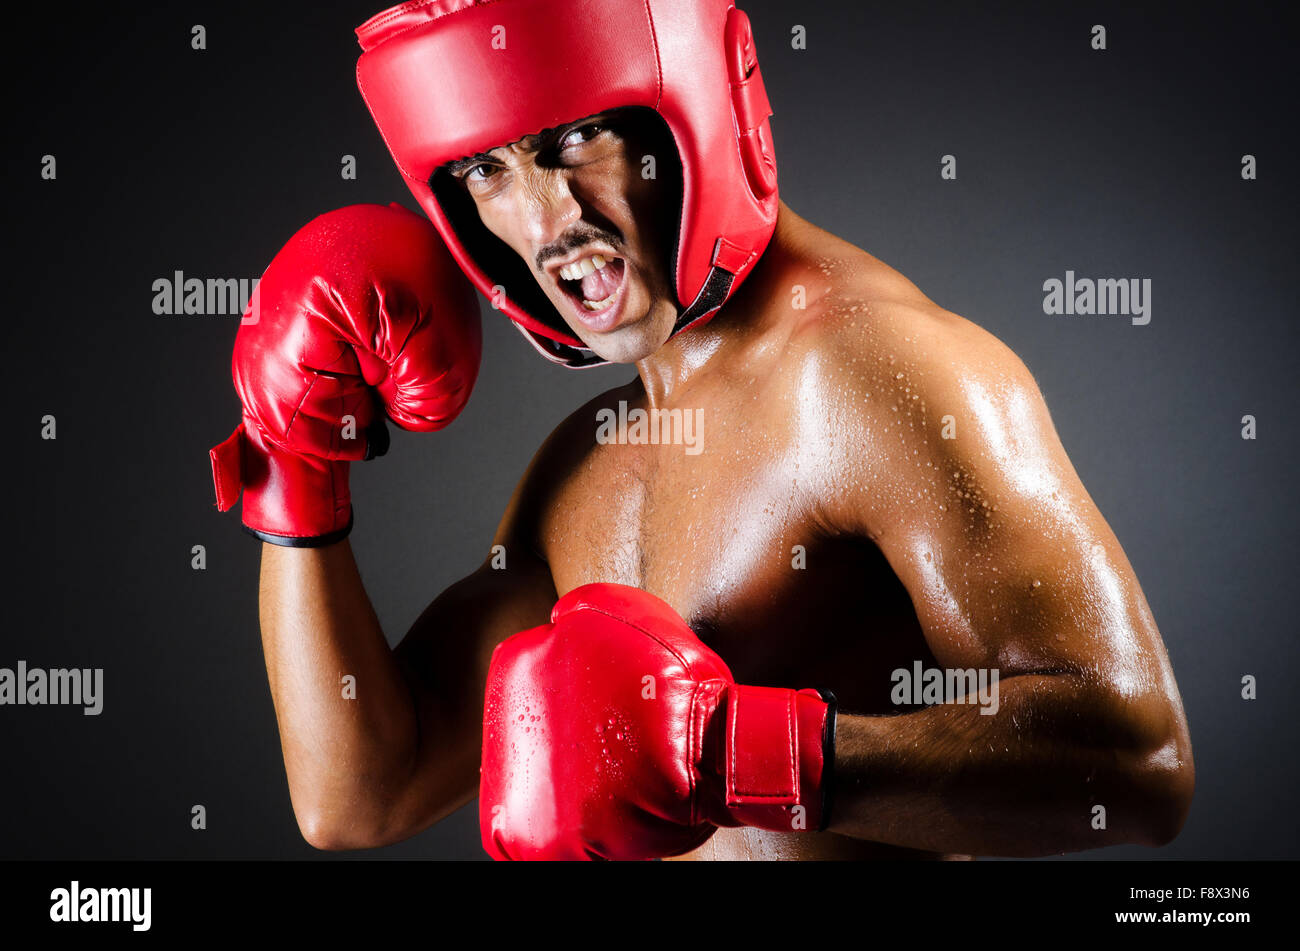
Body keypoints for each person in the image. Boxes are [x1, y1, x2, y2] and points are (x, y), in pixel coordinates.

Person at [211, 0, 1193, 860]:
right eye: (486, 170)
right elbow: (362, 798)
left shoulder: (871, 373)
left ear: (702, 109)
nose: (547, 223)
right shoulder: (587, 462)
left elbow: (1136, 765)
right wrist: (296, 463)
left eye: (575, 141)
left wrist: (735, 758)